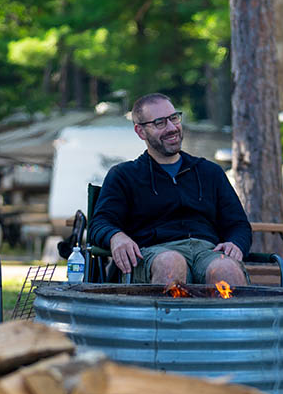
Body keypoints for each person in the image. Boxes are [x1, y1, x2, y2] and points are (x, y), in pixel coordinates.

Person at [88, 92, 251, 286]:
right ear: (141, 132)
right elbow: (99, 223)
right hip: (153, 253)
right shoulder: (124, 175)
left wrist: (235, 243)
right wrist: (116, 236)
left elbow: (239, 225)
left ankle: (225, 317)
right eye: (160, 122)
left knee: (227, 268)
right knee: (171, 263)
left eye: (174, 118)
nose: (172, 128)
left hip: (207, 252)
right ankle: (170, 317)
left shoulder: (209, 172)